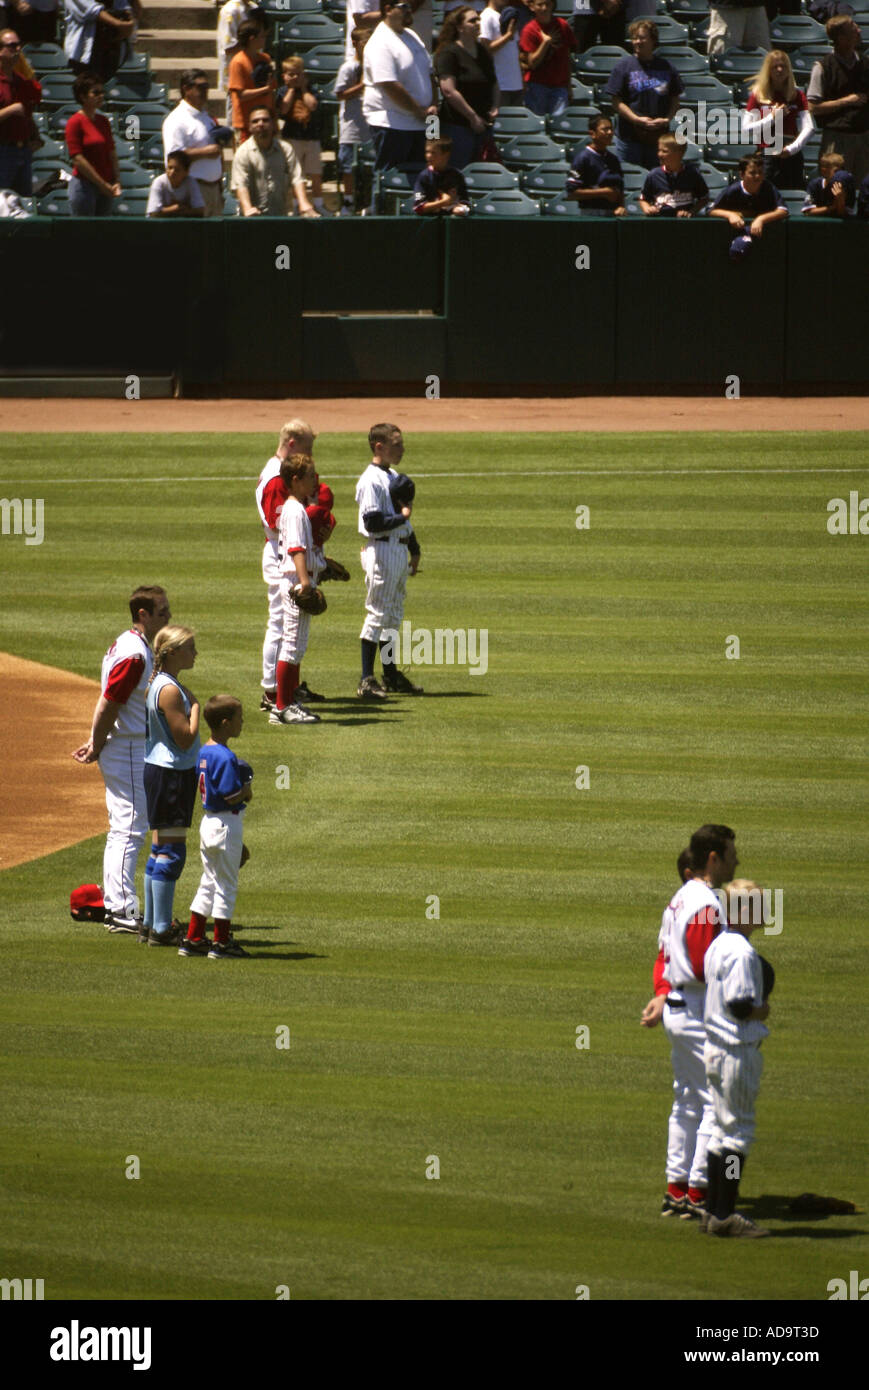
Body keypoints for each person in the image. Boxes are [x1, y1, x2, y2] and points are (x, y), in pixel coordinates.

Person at [640, 824, 738, 1223]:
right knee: (716, 1103)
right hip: (698, 1010)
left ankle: (676, 1188)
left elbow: (664, 956)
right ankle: (698, 1192)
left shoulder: (679, 900)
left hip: (677, 1009)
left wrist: (662, 992)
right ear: (713, 858)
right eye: (732, 853)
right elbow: (702, 965)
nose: (737, 859)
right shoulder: (706, 903)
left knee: (686, 1100)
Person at [71, 586, 171, 934]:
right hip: (126, 747)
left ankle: (118, 904)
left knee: (126, 826)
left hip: (128, 745)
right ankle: (120, 909)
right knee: (130, 827)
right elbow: (109, 703)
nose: (168, 617)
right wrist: (96, 744)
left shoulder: (133, 645)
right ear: (142, 614)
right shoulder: (134, 654)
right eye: (162, 612)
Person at [703, 878, 772, 1238]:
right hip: (735, 1052)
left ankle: (713, 1210)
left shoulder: (718, 944)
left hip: (713, 1051)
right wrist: (763, 1011)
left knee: (719, 1131)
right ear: (743, 911)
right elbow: (741, 1005)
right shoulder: (743, 953)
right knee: (737, 1136)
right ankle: (726, 1213)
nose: (765, 912)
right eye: (759, 905)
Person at [180, 694, 252, 961]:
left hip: (208, 823)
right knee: (226, 885)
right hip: (225, 821)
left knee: (208, 882)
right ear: (225, 723)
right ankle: (221, 943)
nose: (242, 722)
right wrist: (247, 791)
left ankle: (194, 938)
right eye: (239, 718)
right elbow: (231, 795)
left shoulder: (204, 751)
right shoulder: (225, 756)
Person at [355, 422, 423, 699]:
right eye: (397, 444)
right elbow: (372, 522)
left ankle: (390, 674)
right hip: (381, 552)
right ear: (379, 446)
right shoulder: (370, 480)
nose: (402, 448)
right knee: (377, 615)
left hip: (397, 550)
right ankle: (366, 680)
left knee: (393, 616)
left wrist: (415, 548)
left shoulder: (392, 475)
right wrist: (403, 517)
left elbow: (402, 520)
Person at [142, 625, 200, 946]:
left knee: (160, 849)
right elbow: (185, 737)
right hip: (172, 775)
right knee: (172, 853)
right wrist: (196, 709)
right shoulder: (167, 689)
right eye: (190, 648)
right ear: (174, 652)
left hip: (161, 772)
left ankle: (151, 922)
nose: (195, 653)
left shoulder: (163, 684)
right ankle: (161, 929)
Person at [255, 416, 317, 713]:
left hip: (290, 556)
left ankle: (287, 688)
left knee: (288, 629)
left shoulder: (283, 475)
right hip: (282, 557)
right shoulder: (275, 477)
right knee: (281, 626)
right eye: (307, 447)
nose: (311, 456)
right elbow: (279, 525)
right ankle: (272, 691)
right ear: (291, 444)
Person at [270, 453, 323, 726]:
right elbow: (296, 549)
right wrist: (305, 582)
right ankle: (282, 707)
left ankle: (289, 702)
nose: (315, 479)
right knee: (290, 647)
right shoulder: (294, 511)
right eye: (310, 476)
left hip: (296, 580)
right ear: (295, 480)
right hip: (294, 583)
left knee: (296, 646)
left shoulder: (296, 508)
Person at [362, 0, 437, 172]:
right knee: (391, 182)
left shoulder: (412, 36)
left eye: (410, 6)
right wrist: (417, 110)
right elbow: (388, 84)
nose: (409, 10)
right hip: (393, 126)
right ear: (388, 9)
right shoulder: (380, 42)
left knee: (423, 183)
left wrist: (434, 105)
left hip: (423, 123)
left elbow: (430, 74)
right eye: (404, 7)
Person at [605, 20, 683, 172]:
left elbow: (675, 98)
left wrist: (667, 118)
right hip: (630, 137)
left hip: (658, 138)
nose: (637, 42)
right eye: (634, 38)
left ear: (653, 40)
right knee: (629, 178)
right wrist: (636, 119)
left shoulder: (666, 67)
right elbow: (616, 101)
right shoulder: (624, 66)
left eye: (641, 38)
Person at [807, 14, 869, 186]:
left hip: (863, 138)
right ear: (841, 38)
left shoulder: (865, 64)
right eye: (853, 29)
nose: (859, 31)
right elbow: (813, 107)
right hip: (836, 139)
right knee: (835, 189)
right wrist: (847, 101)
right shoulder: (823, 67)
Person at [434, 6, 498, 169]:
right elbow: (448, 90)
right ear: (459, 27)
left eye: (478, 19)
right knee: (458, 173)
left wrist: (495, 106)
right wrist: (472, 117)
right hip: (458, 127)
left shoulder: (482, 51)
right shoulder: (449, 53)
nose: (478, 22)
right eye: (472, 20)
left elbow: (494, 82)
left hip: (483, 126)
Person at [162, 70, 232, 218]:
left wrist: (219, 187)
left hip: (213, 189)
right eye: (200, 87)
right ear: (186, 89)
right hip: (192, 190)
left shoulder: (206, 118)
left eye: (207, 87)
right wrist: (205, 152)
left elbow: (217, 152)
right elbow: (173, 158)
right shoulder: (176, 119)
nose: (205, 91)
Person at [743, 50, 813, 191]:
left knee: (793, 193)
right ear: (768, 70)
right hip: (767, 152)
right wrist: (772, 118)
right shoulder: (758, 95)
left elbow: (809, 127)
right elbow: (746, 129)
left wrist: (791, 149)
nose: (779, 70)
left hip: (791, 152)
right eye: (775, 67)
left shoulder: (797, 95)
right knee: (766, 195)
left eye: (783, 66)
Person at [230, 106, 318, 216]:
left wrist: (304, 203)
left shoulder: (285, 149)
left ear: (273, 124)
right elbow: (241, 184)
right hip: (251, 218)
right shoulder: (243, 153)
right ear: (249, 127)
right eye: (255, 121)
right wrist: (248, 208)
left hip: (280, 216)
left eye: (265, 120)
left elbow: (297, 178)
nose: (260, 124)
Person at [276, 55, 327, 215]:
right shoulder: (283, 91)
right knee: (295, 173)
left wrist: (303, 89)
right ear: (284, 76)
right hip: (292, 138)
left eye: (299, 74)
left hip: (311, 137)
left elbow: (312, 105)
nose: (296, 77)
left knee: (315, 172)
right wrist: (291, 89)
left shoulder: (311, 90)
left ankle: (318, 204)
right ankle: (297, 204)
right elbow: (283, 109)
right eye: (291, 74)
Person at [64, 72, 120, 215]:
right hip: (84, 186)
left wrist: (116, 181)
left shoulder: (103, 121)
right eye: (95, 92)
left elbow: (111, 153)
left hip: (107, 187)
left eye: (102, 92)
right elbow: (78, 158)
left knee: (102, 234)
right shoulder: (74, 122)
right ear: (82, 96)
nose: (101, 96)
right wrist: (102, 184)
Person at [518, 0, 577, 120]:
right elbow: (532, 63)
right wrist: (545, 43)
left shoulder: (562, 25)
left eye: (548, 4)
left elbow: (567, 57)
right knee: (536, 124)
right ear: (532, 7)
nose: (544, 8)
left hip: (559, 86)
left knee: (558, 124)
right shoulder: (529, 30)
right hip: (537, 85)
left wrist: (569, 86)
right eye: (540, 5)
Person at [0, 28, 40, 198]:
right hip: (2, 150)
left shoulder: (21, 81)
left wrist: (35, 136)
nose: (18, 50)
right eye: (12, 46)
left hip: (22, 151)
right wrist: (11, 110)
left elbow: (27, 114)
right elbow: (17, 110)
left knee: (23, 204)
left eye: (19, 45)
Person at [335, 26, 371, 215]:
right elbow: (340, 94)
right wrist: (362, 86)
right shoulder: (348, 68)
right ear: (355, 44)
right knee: (348, 165)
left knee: (369, 167)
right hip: (352, 125)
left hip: (370, 125)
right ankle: (348, 202)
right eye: (364, 43)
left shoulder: (375, 65)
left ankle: (367, 202)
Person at [710, 152, 788, 238]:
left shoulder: (768, 187)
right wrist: (730, 215)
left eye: (760, 172)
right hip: (736, 234)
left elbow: (783, 211)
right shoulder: (733, 190)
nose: (757, 176)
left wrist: (761, 219)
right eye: (752, 173)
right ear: (742, 175)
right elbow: (711, 210)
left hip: (765, 233)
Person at [63, 0, 139, 82]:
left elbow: (124, 7)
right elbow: (91, 10)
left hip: (111, 47)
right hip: (83, 53)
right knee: (86, 89)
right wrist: (119, 24)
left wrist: (129, 23)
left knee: (106, 88)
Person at [565, 113, 625, 214]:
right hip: (591, 214)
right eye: (605, 129)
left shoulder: (613, 159)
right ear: (592, 133)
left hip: (613, 214)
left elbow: (619, 190)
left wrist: (621, 207)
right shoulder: (583, 158)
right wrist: (603, 192)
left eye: (611, 129)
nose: (610, 132)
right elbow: (572, 193)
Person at [228, 16, 275, 143]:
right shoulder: (238, 62)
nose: (264, 39)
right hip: (246, 124)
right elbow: (241, 95)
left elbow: (272, 90)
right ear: (252, 39)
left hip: (265, 121)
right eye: (262, 36)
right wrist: (265, 89)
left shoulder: (265, 58)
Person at [638, 134, 708, 217]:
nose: (659, 154)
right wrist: (648, 209)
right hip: (660, 221)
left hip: (684, 223)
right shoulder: (654, 175)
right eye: (659, 150)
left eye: (664, 151)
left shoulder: (692, 174)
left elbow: (704, 198)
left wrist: (691, 212)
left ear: (679, 154)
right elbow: (643, 199)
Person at [217, 0, 265, 113]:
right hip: (237, 72)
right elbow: (228, 47)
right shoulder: (230, 11)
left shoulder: (254, 7)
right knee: (236, 113)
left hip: (255, 70)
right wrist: (250, 43)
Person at [480, 0, 522, 107]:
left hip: (516, 83)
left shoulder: (508, 15)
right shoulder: (486, 16)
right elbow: (487, 48)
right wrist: (508, 35)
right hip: (500, 84)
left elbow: (516, 50)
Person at [413, 134, 471, 213]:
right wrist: (443, 202)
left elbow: (465, 201)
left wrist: (459, 208)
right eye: (427, 152)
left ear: (446, 155)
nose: (428, 156)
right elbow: (418, 207)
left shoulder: (456, 175)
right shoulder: (424, 176)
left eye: (433, 153)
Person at [146, 149, 205, 217]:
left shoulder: (191, 182)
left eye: (177, 170)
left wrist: (170, 211)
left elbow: (200, 210)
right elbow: (154, 213)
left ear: (186, 172)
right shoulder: (158, 182)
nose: (172, 172)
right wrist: (176, 208)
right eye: (170, 168)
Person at [803, 149, 856, 214]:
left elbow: (843, 214)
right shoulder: (814, 184)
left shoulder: (846, 185)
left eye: (841, 170)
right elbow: (808, 211)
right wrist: (832, 207)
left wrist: (840, 200)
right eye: (836, 171)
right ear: (824, 170)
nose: (839, 174)